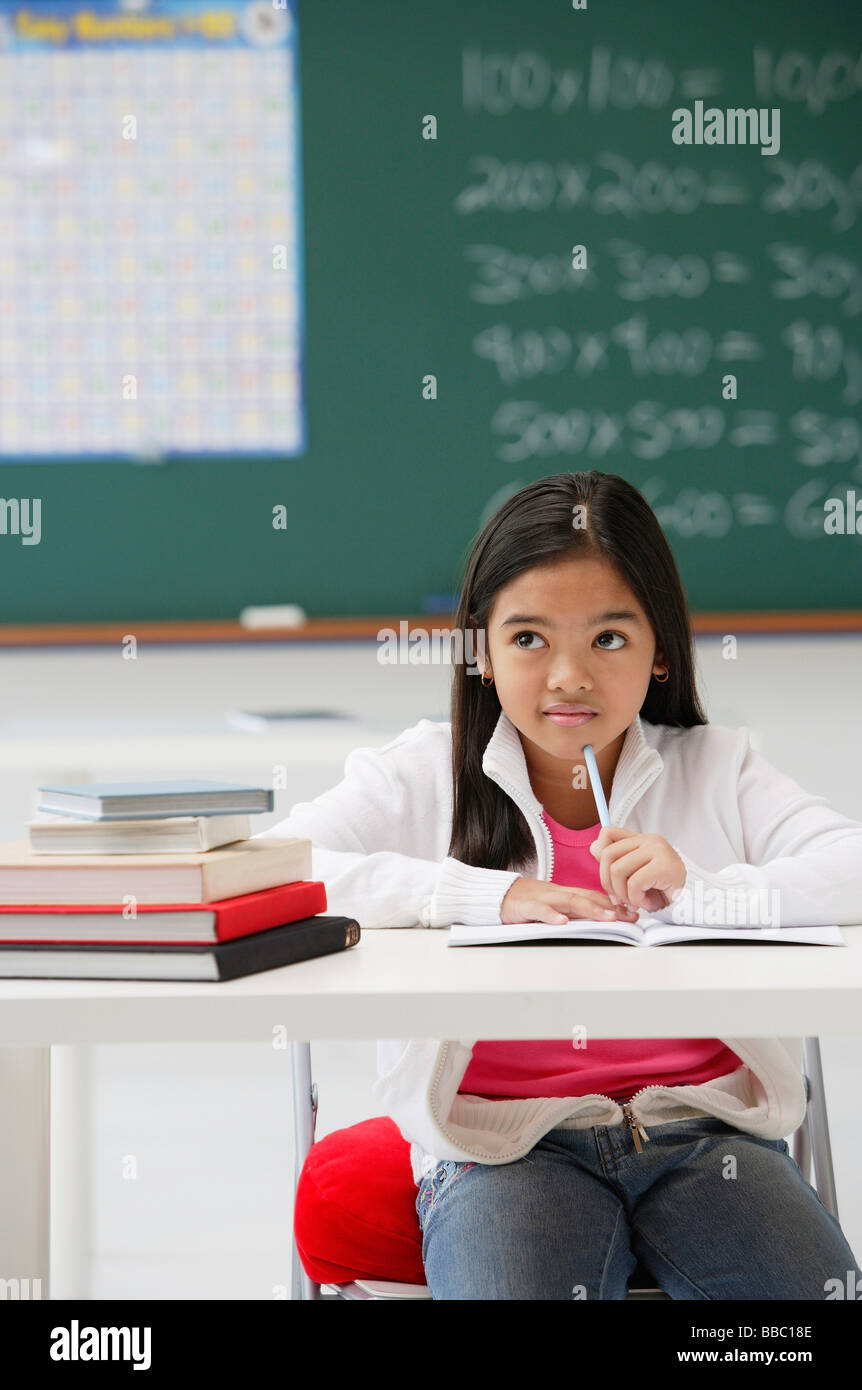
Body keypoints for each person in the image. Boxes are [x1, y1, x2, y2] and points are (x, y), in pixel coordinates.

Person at [259, 470, 862, 1299]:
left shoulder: (718, 767)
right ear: (481, 651)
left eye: (608, 640)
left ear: (660, 651)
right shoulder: (425, 774)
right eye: (530, 639)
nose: (569, 677)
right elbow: (274, 867)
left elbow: (849, 866)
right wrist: (480, 897)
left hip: (707, 1134)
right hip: (502, 1145)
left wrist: (704, 888)